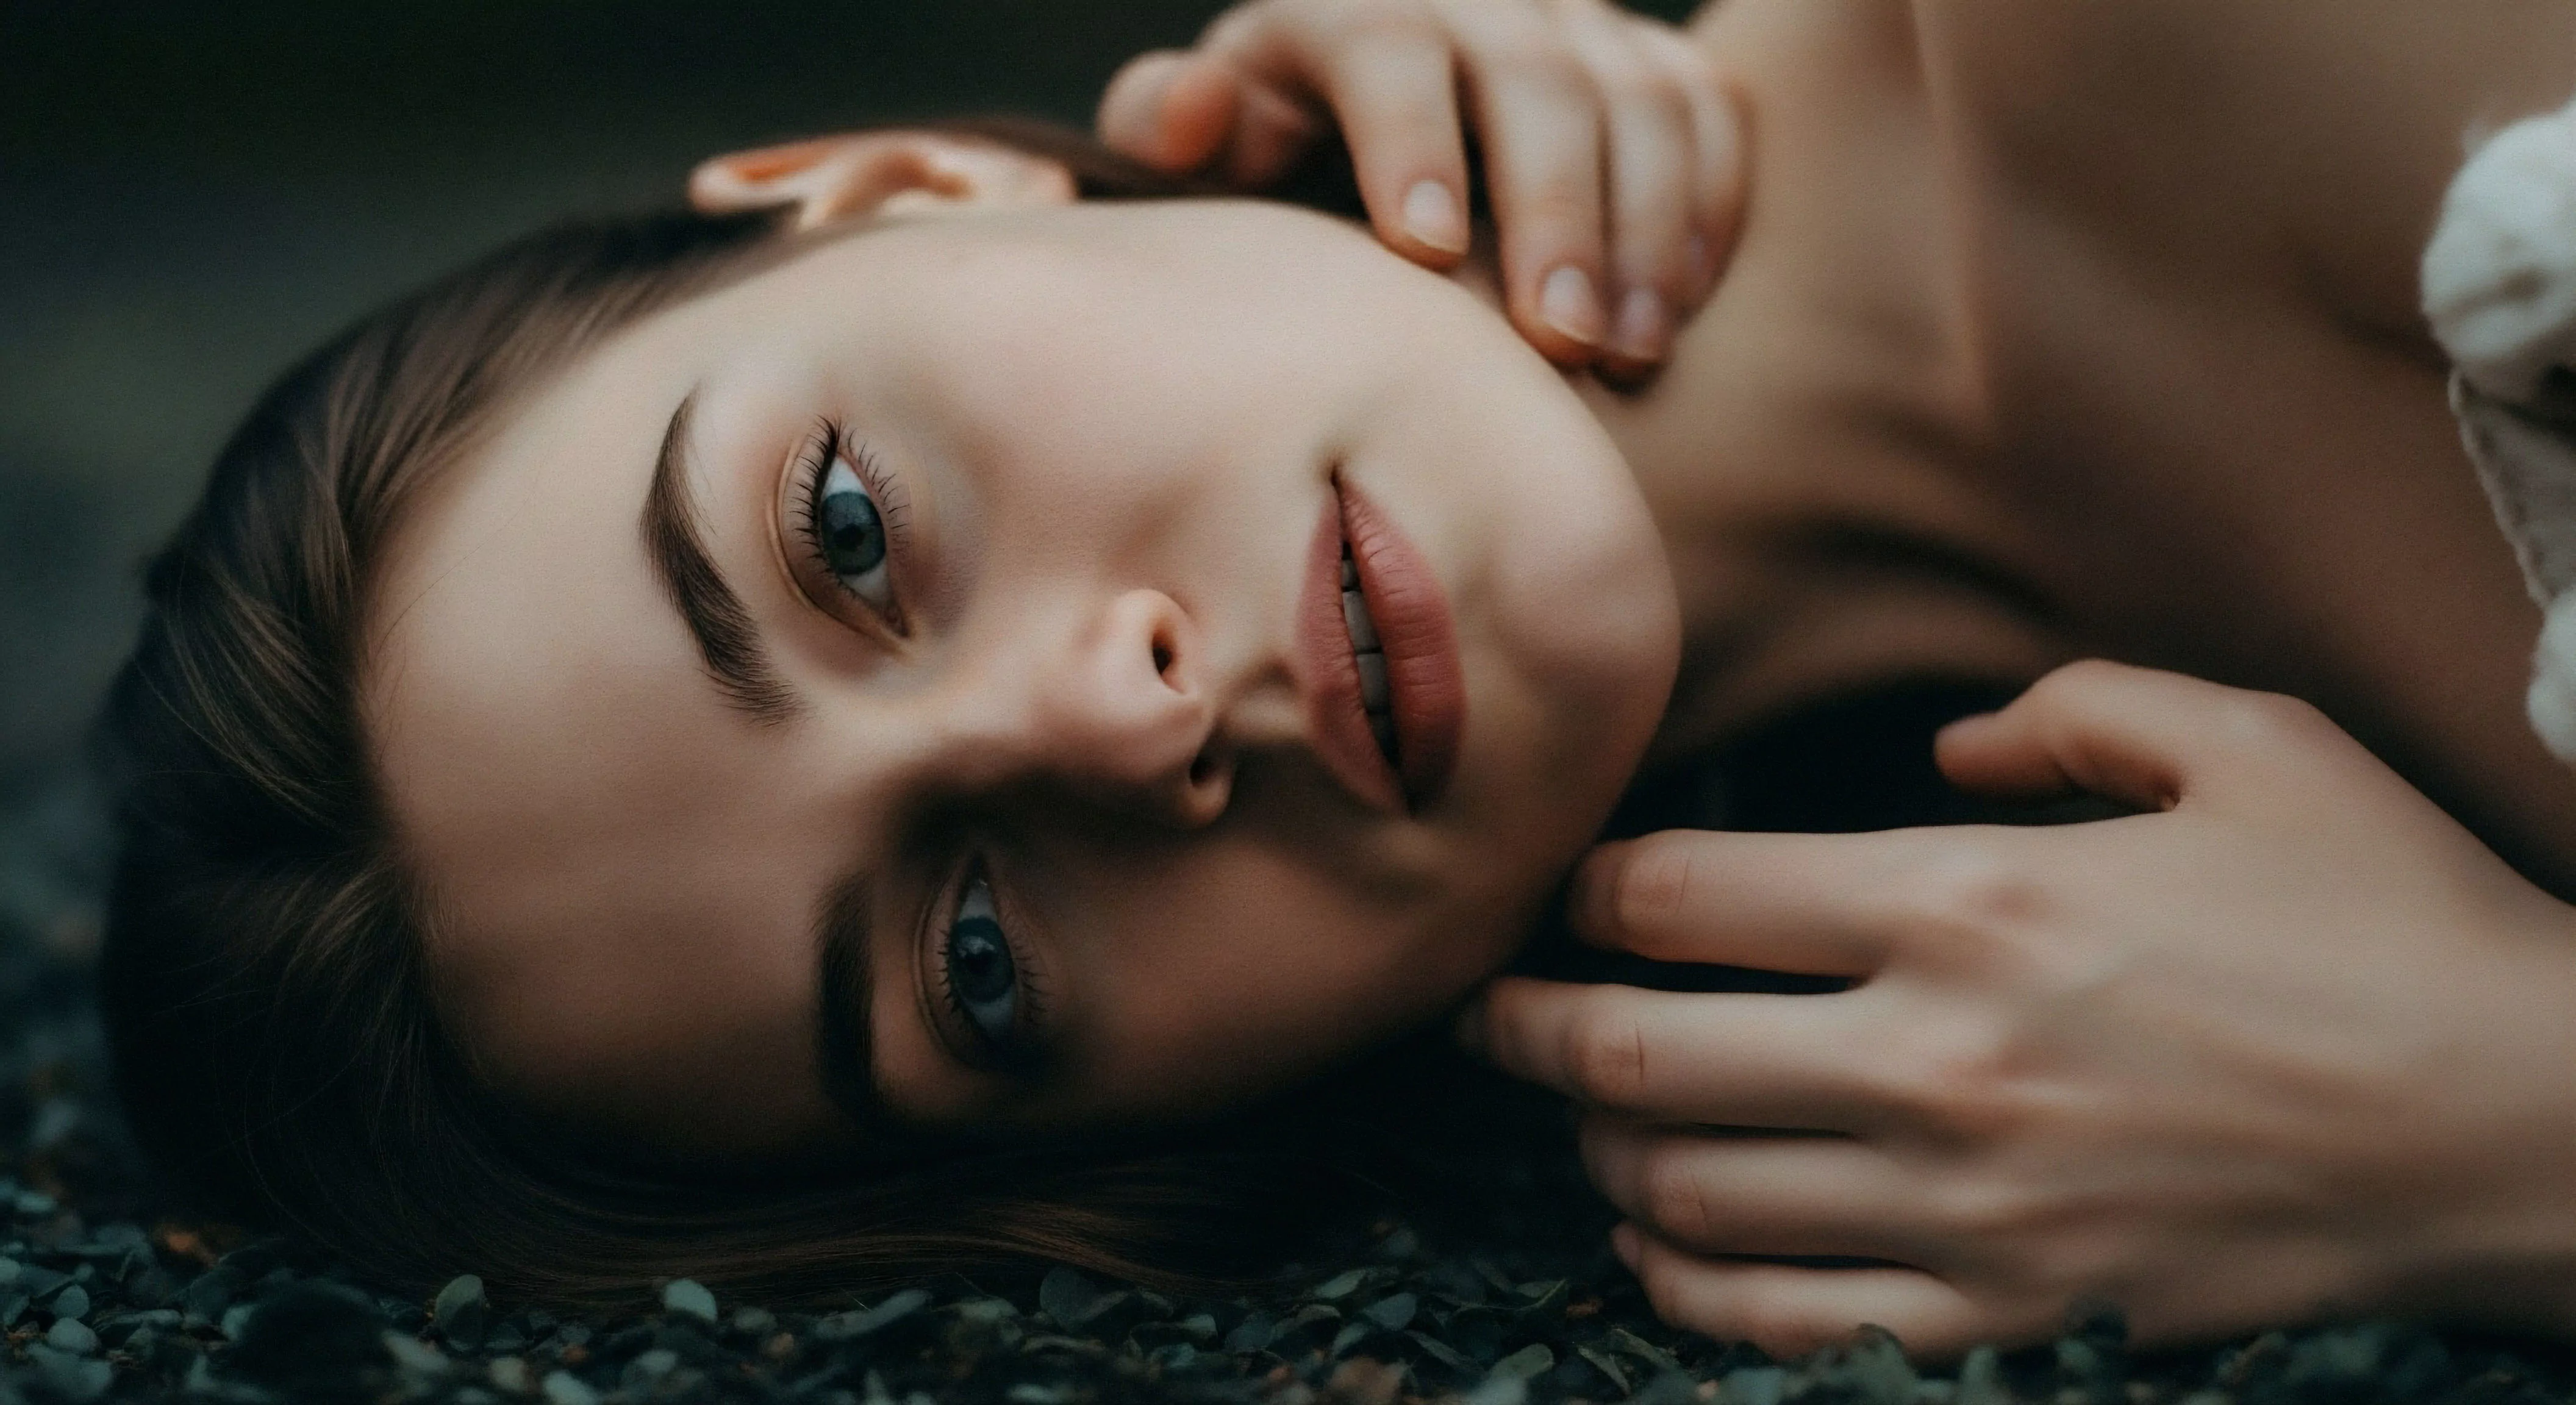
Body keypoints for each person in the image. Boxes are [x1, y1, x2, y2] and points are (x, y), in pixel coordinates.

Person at [95, 0, 2576, 1360]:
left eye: (845, 536)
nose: (1113, 724)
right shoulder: (2054, 938)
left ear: (906, 191)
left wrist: (2510, 1123)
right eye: (976, 959)